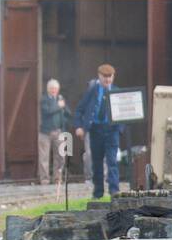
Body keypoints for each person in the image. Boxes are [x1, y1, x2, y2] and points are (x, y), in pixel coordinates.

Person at [75, 64, 125, 199]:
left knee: (112, 161)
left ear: (113, 77)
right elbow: (80, 109)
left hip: (111, 131)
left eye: (110, 77)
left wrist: (120, 129)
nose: (107, 80)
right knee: (96, 162)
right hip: (96, 130)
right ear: (99, 76)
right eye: (105, 77)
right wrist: (79, 126)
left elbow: (124, 112)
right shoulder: (92, 91)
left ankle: (114, 191)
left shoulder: (117, 92)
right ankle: (98, 192)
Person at [38, 79, 70, 186]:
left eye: (55, 89)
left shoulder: (60, 99)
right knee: (44, 157)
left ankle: (58, 179)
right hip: (45, 133)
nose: (54, 91)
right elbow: (47, 111)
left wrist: (64, 110)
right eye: (52, 88)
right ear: (48, 89)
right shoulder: (44, 99)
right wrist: (59, 106)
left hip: (59, 132)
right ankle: (45, 180)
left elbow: (68, 113)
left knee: (61, 156)